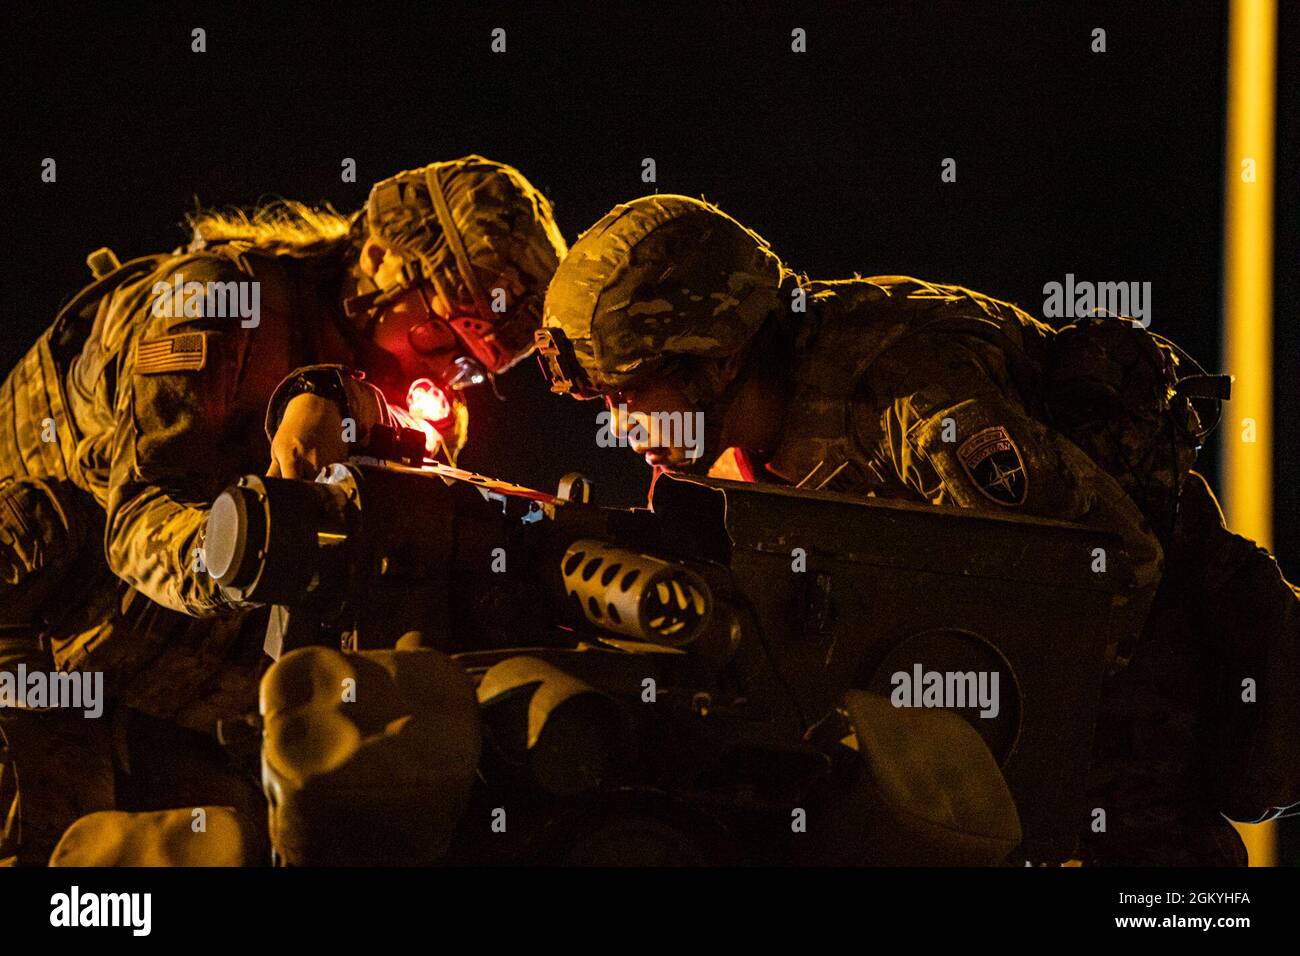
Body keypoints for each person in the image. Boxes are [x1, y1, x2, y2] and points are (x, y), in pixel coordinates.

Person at [538, 193, 1299, 865]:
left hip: (1128, 713)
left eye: (631, 395)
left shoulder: (909, 396)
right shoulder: (726, 449)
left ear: (718, 361)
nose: (623, 426)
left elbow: (1112, 570)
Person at [0, 156, 567, 864]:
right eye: (440, 338)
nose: (445, 375)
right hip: (36, 646)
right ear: (383, 261)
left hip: (178, 707)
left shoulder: (409, 411)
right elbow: (138, 521)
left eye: (474, 367)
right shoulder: (218, 302)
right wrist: (261, 537)